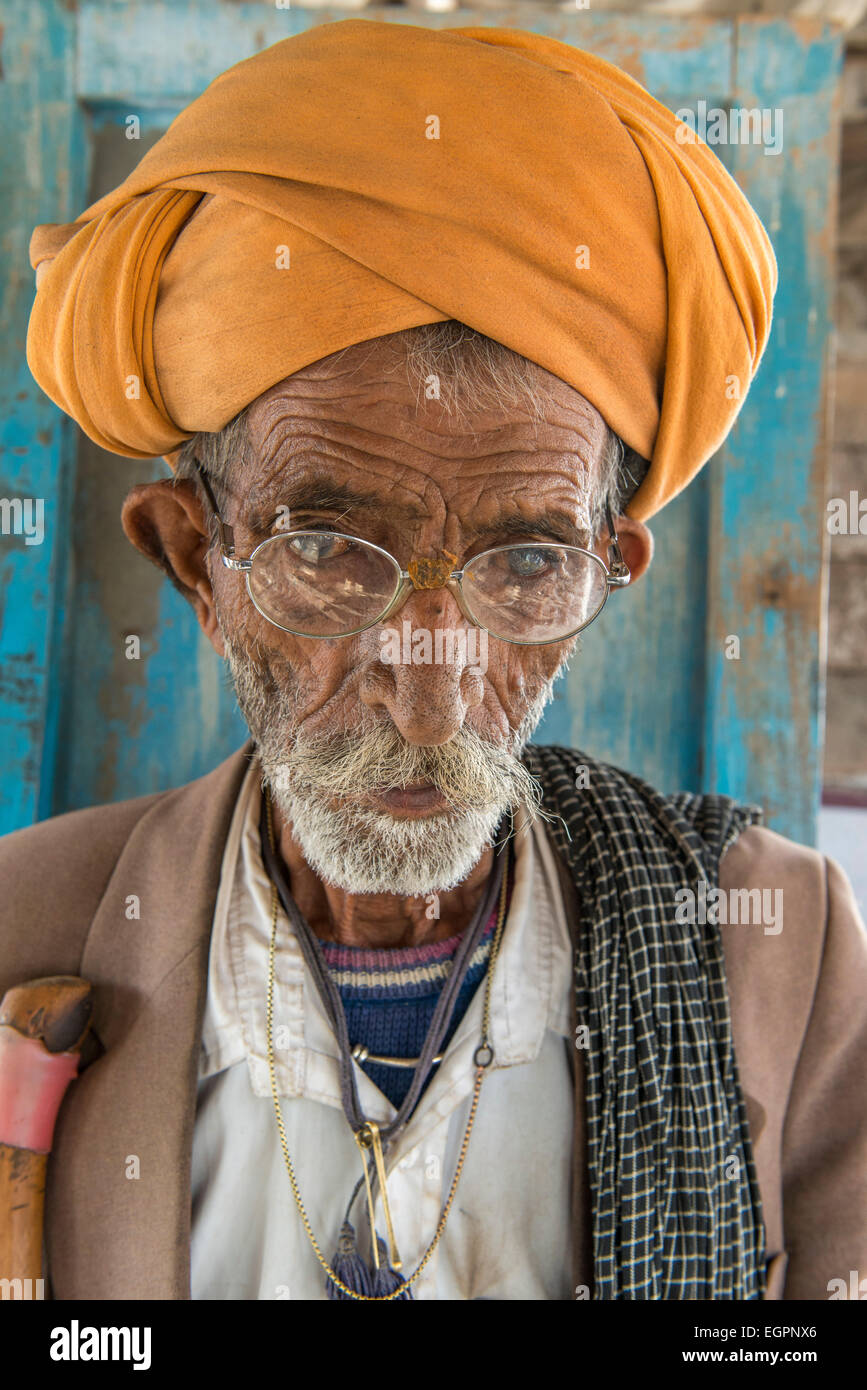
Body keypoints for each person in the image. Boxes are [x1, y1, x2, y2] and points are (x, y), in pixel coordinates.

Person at [5, 19, 865, 1301]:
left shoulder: (781, 954)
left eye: (526, 562)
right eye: (327, 549)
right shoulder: (23, 928)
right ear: (194, 561)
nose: (429, 691)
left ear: (606, 574)